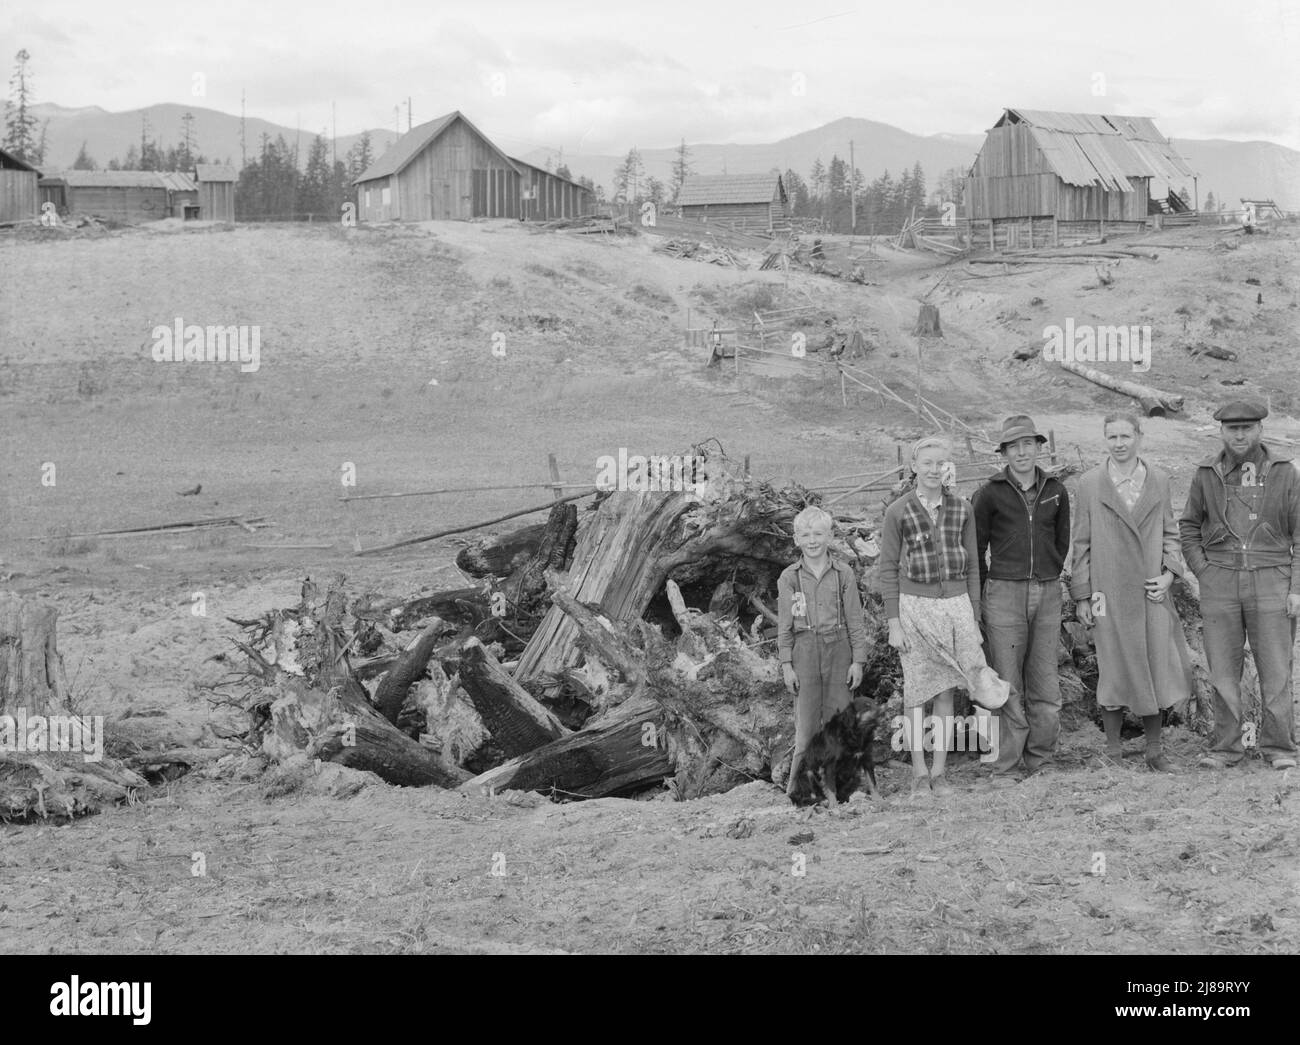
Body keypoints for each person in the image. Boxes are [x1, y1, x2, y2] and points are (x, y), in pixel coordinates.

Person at [1179, 400, 1300, 770]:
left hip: (1272, 579)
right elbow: (1188, 527)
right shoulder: (1206, 473)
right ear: (1221, 432)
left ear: (1261, 429)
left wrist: (1295, 588)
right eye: (1233, 428)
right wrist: (1205, 572)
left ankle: (1280, 748)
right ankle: (1225, 748)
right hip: (1221, 582)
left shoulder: (1284, 472)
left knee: (1277, 670)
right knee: (1222, 671)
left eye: (1247, 427)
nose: (1240, 434)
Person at [1071, 413, 1192, 772]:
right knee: (1113, 667)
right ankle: (1112, 751)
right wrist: (1082, 595)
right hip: (1107, 592)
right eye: (1112, 437)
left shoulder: (1157, 479)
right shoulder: (1091, 483)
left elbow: (1171, 533)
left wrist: (1169, 574)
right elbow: (1081, 544)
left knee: (1155, 664)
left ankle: (1155, 751)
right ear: (1104, 439)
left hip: (1150, 592)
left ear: (1139, 436)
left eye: (1126, 435)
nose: (1119, 443)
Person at [879, 436, 995, 795]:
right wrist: (893, 622)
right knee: (916, 694)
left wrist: (973, 618)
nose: (934, 470)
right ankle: (918, 774)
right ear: (914, 466)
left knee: (946, 692)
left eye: (940, 463)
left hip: (956, 607)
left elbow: (975, 564)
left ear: (948, 467)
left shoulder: (961, 508)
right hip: (915, 609)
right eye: (927, 463)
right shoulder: (898, 511)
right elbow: (887, 569)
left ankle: (940, 772)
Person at [972, 415, 1072, 782]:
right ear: (1004, 452)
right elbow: (976, 547)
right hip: (1003, 592)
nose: (1021, 452)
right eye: (1013, 447)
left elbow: (1062, 541)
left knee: (1045, 679)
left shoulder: (1056, 490)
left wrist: (1049, 573)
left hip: (1047, 591)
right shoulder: (989, 493)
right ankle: (1007, 764)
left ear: (1038, 446)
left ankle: (1041, 758)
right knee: (1006, 681)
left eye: (1027, 444)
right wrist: (986, 592)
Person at [778, 506, 871, 796]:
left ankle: (848, 788)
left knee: (841, 722)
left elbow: (856, 620)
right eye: (805, 535)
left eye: (818, 533)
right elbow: (785, 625)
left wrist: (858, 660)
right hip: (804, 650)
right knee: (806, 727)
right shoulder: (790, 578)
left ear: (830, 536)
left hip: (839, 648)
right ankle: (797, 789)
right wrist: (786, 664)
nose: (812, 540)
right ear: (796, 540)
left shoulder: (843, 573)